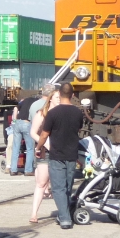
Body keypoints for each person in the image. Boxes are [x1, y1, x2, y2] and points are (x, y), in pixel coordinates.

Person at [37, 82, 84, 230]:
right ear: (72, 95)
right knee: (67, 187)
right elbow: (79, 129)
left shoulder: (53, 113)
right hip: (72, 154)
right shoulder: (78, 113)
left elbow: (44, 134)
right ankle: (66, 213)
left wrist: (38, 147)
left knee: (58, 188)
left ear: (60, 94)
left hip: (56, 154)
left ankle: (65, 219)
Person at [29, 87, 58, 223]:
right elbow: (33, 132)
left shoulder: (61, 113)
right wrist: (45, 144)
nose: (59, 100)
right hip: (46, 152)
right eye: (57, 97)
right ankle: (34, 214)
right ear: (51, 98)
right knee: (41, 183)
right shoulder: (41, 114)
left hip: (60, 152)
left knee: (60, 184)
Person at [8, 93, 40, 176]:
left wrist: (14, 122)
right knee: (30, 148)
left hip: (17, 123)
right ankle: (28, 170)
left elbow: (15, 108)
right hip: (27, 123)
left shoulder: (24, 101)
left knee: (15, 148)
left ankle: (13, 170)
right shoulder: (36, 102)